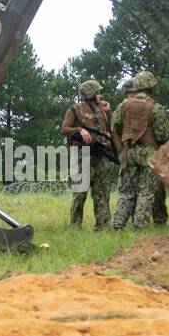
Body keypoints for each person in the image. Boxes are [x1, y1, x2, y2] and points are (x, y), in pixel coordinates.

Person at [110, 71, 169, 229]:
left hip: (128, 153)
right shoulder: (156, 108)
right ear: (151, 87)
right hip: (149, 155)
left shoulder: (124, 105)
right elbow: (164, 135)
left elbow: (115, 128)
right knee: (146, 192)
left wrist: (121, 151)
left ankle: (117, 225)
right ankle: (139, 226)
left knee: (126, 192)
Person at [61, 79, 115, 229]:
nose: (100, 94)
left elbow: (110, 130)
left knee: (102, 192)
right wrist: (79, 130)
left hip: (101, 155)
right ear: (92, 93)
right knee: (80, 192)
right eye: (98, 92)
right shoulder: (75, 109)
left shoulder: (102, 110)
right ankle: (74, 226)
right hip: (82, 155)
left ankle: (103, 226)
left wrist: (108, 111)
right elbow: (64, 129)